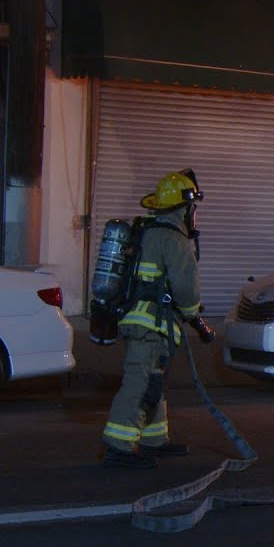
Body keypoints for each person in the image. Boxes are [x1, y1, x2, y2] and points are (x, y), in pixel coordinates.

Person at [100, 168, 214, 469]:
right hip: (152, 325)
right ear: (185, 208)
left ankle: (154, 440)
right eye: (192, 208)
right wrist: (193, 315)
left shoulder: (146, 231)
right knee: (140, 382)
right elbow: (187, 288)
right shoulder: (174, 240)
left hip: (138, 321)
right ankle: (118, 446)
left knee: (153, 381)